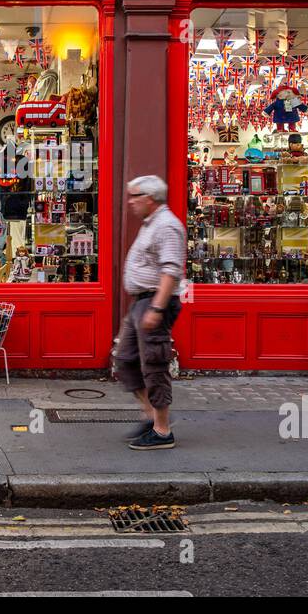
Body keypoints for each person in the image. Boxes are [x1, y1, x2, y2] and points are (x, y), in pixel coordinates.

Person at [117, 175, 185, 450]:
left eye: (135, 197)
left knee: (154, 366)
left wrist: (157, 307)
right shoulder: (151, 224)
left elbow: (171, 270)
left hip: (155, 302)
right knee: (125, 360)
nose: (131, 202)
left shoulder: (167, 226)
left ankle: (162, 430)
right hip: (141, 302)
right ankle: (151, 415)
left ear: (150, 198)